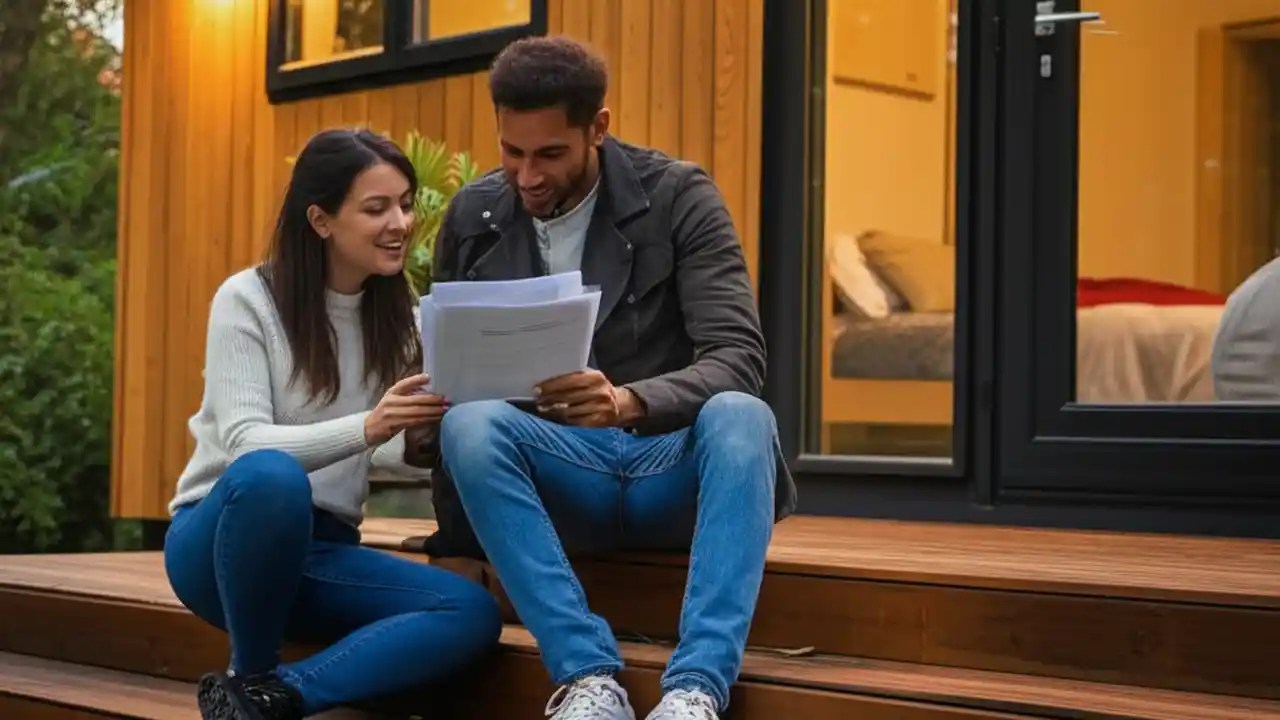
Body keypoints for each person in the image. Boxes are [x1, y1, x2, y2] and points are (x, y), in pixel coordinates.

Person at [407, 36, 798, 720]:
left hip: (666, 470)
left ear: (599, 128)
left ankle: (696, 690)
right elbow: (451, 379)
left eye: (550, 154)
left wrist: (629, 400)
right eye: (512, 152)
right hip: (559, 481)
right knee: (471, 421)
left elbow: (738, 356)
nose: (526, 176)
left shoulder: (678, 196)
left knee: (743, 415)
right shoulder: (476, 216)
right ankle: (588, 681)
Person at [163, 128, 503, 720]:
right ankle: (252, 667)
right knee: (271, 477)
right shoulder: (248, 300)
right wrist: (369, 427)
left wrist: (436, 433)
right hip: (221, 539)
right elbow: (245, 445)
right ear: (321, 220)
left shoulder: (402, 317)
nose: (399, 222)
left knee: (469, 613)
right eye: (376, 208)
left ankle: (274, 697)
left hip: (323, 550)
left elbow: (382, 453)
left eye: (404, 203)